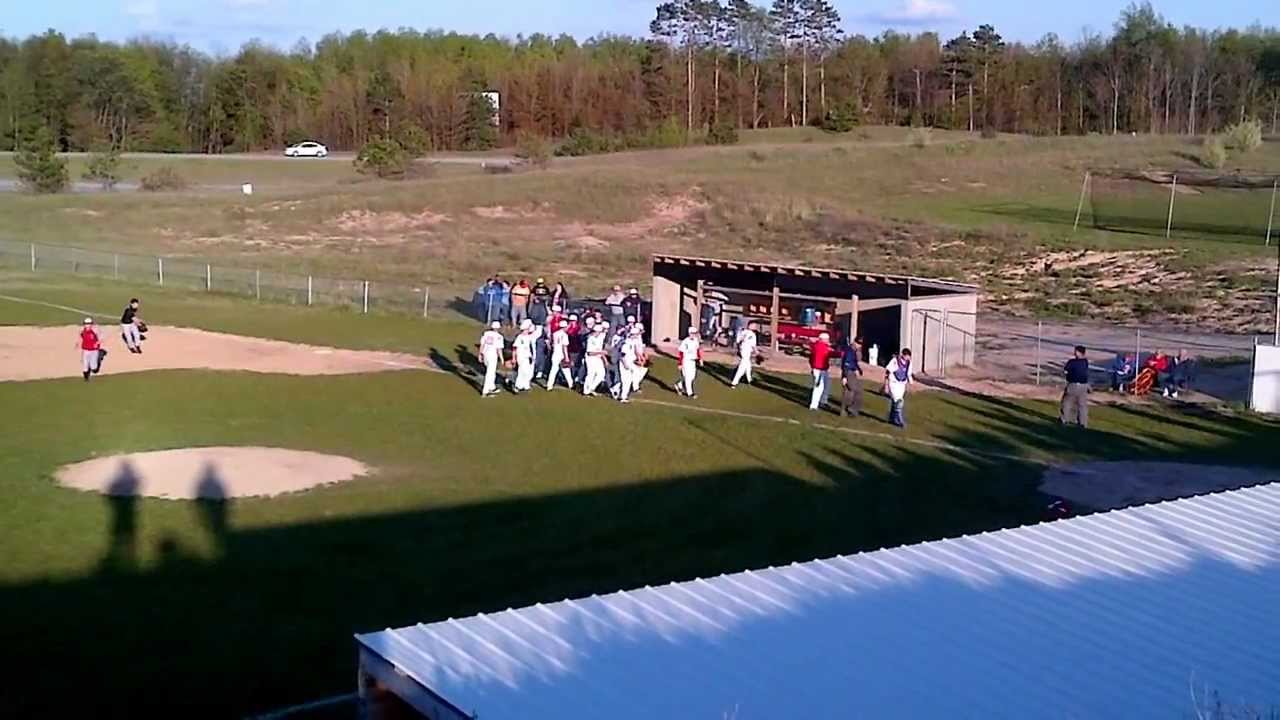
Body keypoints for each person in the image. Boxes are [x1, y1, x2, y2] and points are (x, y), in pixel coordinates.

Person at [1061, 345, 1090, 427]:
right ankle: (1082, 423)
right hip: (1083, 386)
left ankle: (1064, 419)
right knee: (1082, 405)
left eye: (1075, 351)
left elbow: (1065, 371)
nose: (1074, 353)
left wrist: (1068, 374)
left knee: (1067, 403)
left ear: (1079, 352)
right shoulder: (1085, 362)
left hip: (1073, 385)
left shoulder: (1072, 362)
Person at [884, 348, 914, 428]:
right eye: (907, 356)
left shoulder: (909, 363)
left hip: (902, 384)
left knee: (896, 401)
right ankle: (900, 420)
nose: (908, 358)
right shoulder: (895, 361)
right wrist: (886, 385)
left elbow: (908, 373)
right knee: (899, 401)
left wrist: (911, 382)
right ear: (903, 355)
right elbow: (888, 371)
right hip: (894, 383)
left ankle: (891, 418)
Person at [619, 326, 647, 404]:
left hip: (631, 362)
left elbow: (636, 350)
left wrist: (640, 358)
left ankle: (628, 392)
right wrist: (625, 364)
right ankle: (623, 397)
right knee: (626, 381)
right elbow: (622, 356)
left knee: (637, 373)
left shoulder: (633, 341)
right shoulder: (626, 343)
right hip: (625, 363)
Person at [808, 331, 835, 411]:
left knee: (826, 385)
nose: (828, 341)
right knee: (818, 388)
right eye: (827, 339)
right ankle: (813, 405)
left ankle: (822, 401)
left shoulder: (817, 346)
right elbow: (829, 353)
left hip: (822, 369)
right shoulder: (821, 347)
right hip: (819, 370)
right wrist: (840, 353)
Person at [478, 321, 505, 397]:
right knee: (490, 373)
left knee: (492, 372)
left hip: (485, 354)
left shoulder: (486, 333)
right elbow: (499, 349)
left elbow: (482, 344)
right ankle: (485, 391)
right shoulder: (499, 337)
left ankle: (492, 387)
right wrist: (502, 358)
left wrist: (480, 354)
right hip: (492, 356)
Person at [840, 336, 865, 417]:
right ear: (855, 342)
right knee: (858, 391)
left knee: (848, 392)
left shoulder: (852, 350)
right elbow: (846, 364)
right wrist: (844, 376)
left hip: (850, 372)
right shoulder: (850, 351)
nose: (859, 345)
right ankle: (852, 409)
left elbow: (854, 362)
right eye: (858, 343)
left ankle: (843, 411)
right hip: (849, 373)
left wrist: (859, 369)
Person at [583, 323, 609, 397]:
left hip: (598, 358)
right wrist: (601, 352)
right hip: (591, 358)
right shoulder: (590, 339)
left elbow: (605, 332)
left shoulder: (600, 337)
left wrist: (604, 358)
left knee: (601, 374)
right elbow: (590, 353)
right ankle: (586, 391)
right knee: (591, 374)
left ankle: (591, 388)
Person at [676, 327, 703, 398]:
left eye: (695, 333)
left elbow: (697, 350)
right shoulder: (685, 341)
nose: (695, 335)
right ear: (690, 333)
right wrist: (680, 363)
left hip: (693, 361)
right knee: (688, 377)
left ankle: (679, 384)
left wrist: (700, 359)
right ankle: (690, 393)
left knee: (692, 377)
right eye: (693, 333)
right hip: (686, 361)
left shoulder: (696, 340)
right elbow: (681, 353)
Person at [511, 320, 537, 392]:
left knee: (527, 372)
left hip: (527, 357)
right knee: (522, 371)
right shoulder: (519, 337)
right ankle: (517, 386)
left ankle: (524, 385)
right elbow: (514, 348)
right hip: (521, 356)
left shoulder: (529, 337)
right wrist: (514, 358)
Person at [731, 321, 759, 388]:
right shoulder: (752, 334)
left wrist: (738, 350)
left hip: (742, 350)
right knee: (742, 367)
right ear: (750, 325)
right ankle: (734, 382)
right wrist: (757, 352)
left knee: (748, 366)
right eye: (754, 325)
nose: (755, 327)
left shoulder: (742, 331)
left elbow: (737, 342)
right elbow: (753, 345)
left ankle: (749, 380)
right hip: (746, 351)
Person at [78, 317, 103, 381]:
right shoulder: (82, 331)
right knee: (85, 366)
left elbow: (100, 338)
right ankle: (86, 378)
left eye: (89, 323)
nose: (87, 325)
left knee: (93, 368)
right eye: (86, 324)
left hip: (94, 351)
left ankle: (98, 362)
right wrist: (78, 343)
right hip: (86, 350)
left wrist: (97, 343)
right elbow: (80, 338)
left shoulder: (95, 331)